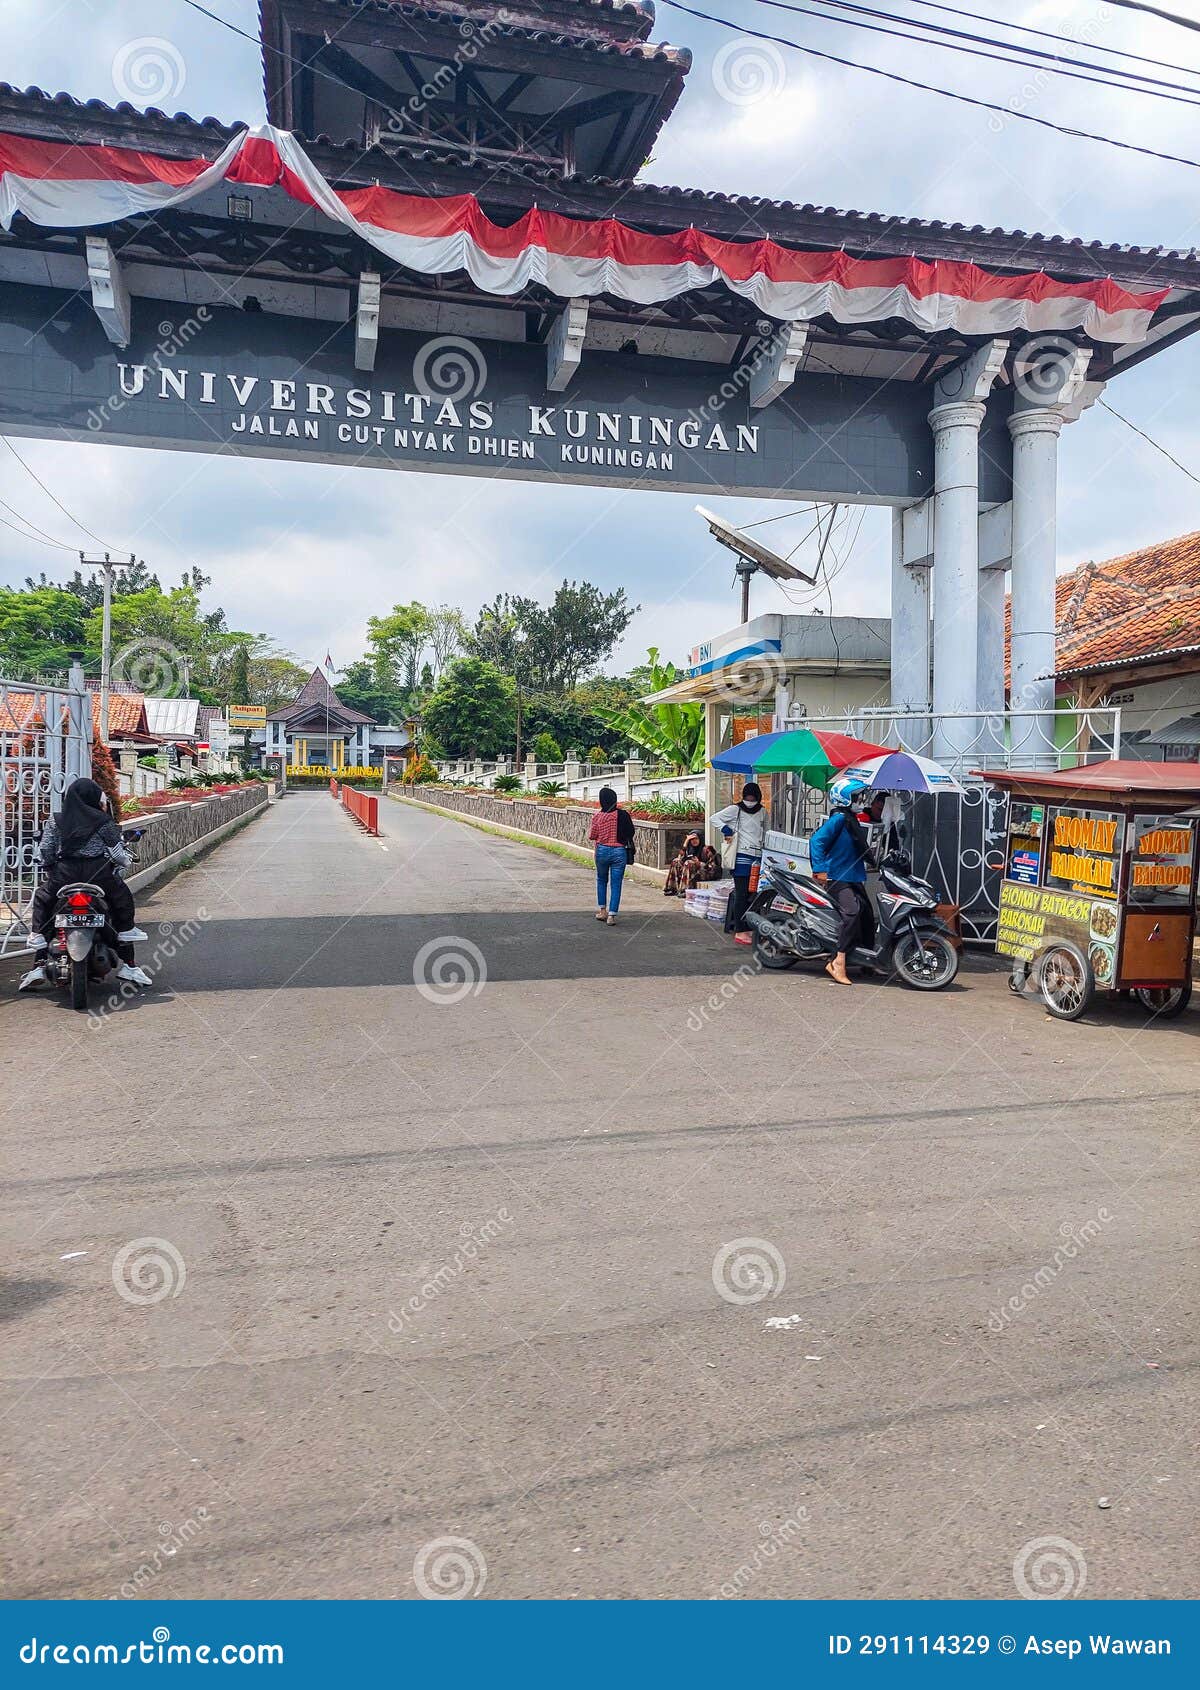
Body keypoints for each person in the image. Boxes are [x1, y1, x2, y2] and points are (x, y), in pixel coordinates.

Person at [19, 778, 151, 992]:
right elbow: (117, 853)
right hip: (97, 874)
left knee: (44, 899)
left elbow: (46, 850)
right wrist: (125, 862)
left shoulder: (57, 819)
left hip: (64, 874)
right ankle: (129, 958)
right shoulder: (103, 821)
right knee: (120, 900)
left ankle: (37, 949)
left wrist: (50, 866)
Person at [809, 775, 881, 986]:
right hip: (837, 877)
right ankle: (838, 961)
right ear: (845, 798)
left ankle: (867, 962)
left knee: (868, 916)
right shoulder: (839, 819)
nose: (862, 800)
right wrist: (820, 869)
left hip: (854, 876)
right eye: (857, 796)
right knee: (852, 913)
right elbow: (817, 841)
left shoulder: (851, 819)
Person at [712, 780, 767, 945]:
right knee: (742, 894)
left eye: (753, 797)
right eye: (748, 797)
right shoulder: (735, 809)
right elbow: (714, 819)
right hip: (741, 857)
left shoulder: (763, 812)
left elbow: (766, 831)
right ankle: (740, 930)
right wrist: (726, 830)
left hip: (757, 858)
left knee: (753, 895)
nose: (750, 800)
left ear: (758, 796)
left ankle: (749, 927)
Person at [588, 785, 635, 925]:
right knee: (616, 884)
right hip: (619, 852)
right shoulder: (622, 815)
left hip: (602, 851)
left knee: (601, 880)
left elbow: (592, 836)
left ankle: (602, 911)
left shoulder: (597, 816)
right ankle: (612, 916)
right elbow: (630, 832)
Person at [663, 829, 720, 897]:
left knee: (689, 862)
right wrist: (686, 842)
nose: (694, 841)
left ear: (700, 839)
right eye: (692, 839)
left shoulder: (707, 850)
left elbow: (713, 868)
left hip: (706, 873)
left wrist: (699, 863)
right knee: (675, 861)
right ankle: (672, 888)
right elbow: (679, 858)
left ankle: (686, 890)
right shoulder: (689, 849)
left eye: (696, 839)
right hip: (691, 871)